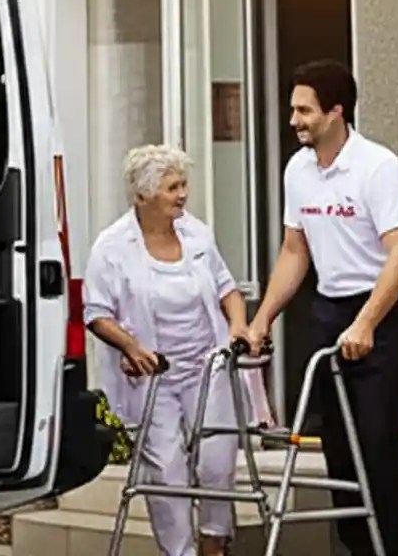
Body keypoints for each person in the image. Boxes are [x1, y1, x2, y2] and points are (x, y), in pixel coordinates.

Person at [235, 59, 398, 556]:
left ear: (336, 111)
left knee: (378, 444)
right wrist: (260, 321)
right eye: (293, 109)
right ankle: (359, 548)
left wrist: (366, 323)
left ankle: (396, 551)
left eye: (304, 110)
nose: (294, 119)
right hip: (330, 308)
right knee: (337, 448)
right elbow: (295, 250)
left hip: (386, 312)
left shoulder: (377, 167)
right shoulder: (298, 169)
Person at [83, 144, 274, 556]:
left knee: (217, 461)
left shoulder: (196, 232)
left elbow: (228, 288)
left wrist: (238, 326)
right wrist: (130, 346)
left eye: (183, 184)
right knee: (167, 470)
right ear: (143, 196)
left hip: (208, 366)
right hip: (154, 375)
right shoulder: (111, 247)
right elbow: (96, 313)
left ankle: (214, 541)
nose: (183, 195)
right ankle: (180, 552)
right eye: (173, 187)